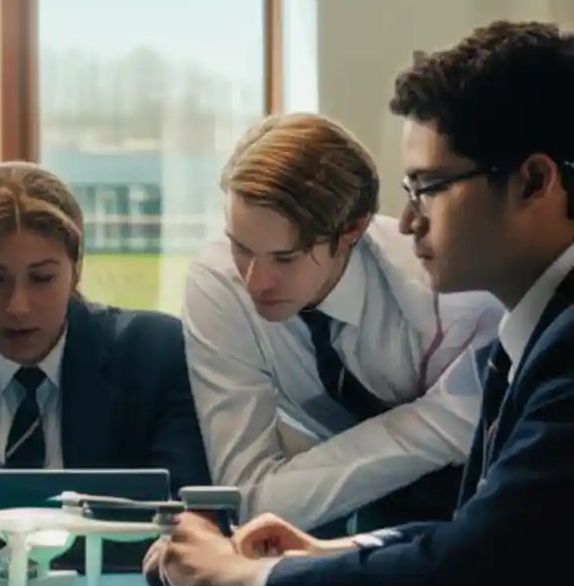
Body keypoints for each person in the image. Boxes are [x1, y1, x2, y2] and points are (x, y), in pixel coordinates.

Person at [148, 19, 574, 586]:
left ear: (533, 183)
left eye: (429, 188)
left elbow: (482, 574)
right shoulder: (536, 335)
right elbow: (487, 533)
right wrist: (328, 553)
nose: (405, 223)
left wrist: (247, 580)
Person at [180, 111, 503, 535]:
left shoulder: (455, 297)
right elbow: (249, 501)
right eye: (241, 247)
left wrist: (445, 425)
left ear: (353, 229)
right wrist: (436, 421)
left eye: (285, 258)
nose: (254, 281)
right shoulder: (219, 282)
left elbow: (480, 454)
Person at [0, 161, 211, 500]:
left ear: (75, 270)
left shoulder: (152, 357)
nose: (18, 305)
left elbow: (186, 518)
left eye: (42, 278)